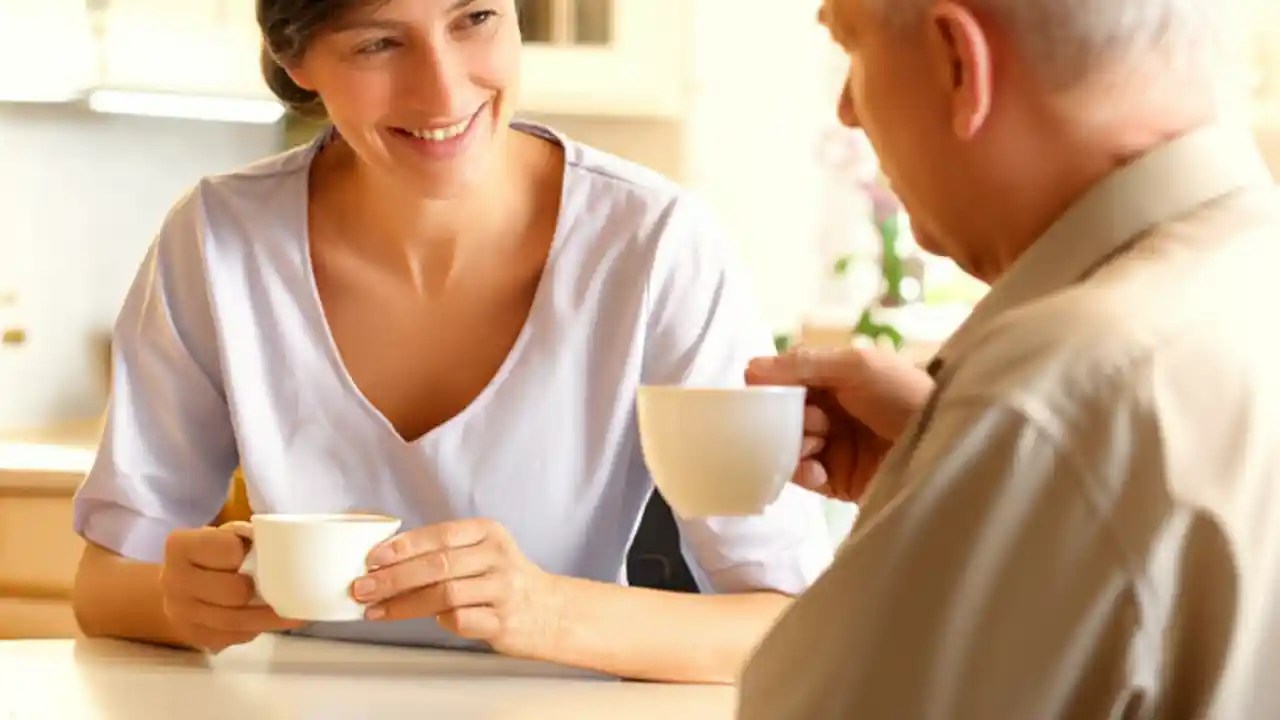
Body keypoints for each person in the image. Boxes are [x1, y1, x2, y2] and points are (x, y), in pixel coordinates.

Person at [70, 0, 833, 684]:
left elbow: (789, 623)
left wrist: (546, 611)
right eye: (378, 43)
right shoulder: (218, 239)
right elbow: (105, 583)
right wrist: (182, 602)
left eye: (475, 19)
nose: (443, 92)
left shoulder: (653, 244)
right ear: (297, 59)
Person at [738, 0, 1280, 716]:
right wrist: (958, 470)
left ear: (959, 63)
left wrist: (1004, 452)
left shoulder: (1056, 391)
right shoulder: (1244, 279)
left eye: (853, 49)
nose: (847, 110)